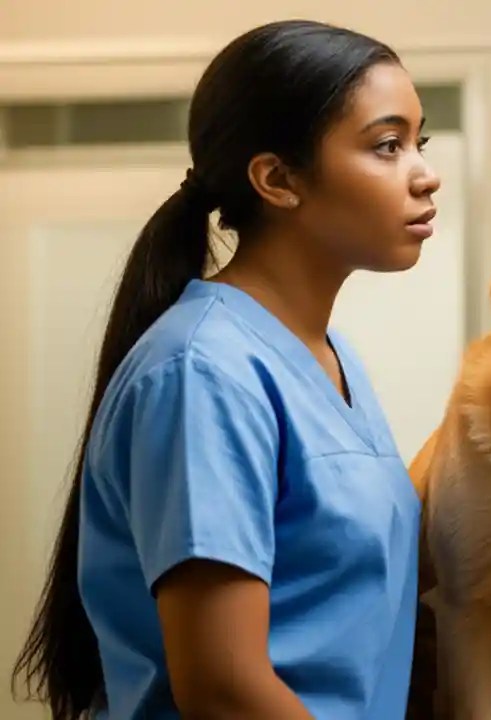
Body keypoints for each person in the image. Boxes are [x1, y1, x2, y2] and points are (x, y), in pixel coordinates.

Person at [10, 19, 440, 720]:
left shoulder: (331, 359)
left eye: (420, 142)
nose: (426, 171)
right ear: (277, 179)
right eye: (386, 146)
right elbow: (223, 688)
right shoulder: (201, 373)